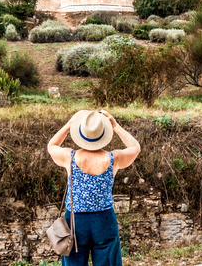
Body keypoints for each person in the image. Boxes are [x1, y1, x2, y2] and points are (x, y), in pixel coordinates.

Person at [47, 109, 141, 265]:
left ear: (80, 132)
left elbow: (52, 145)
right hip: (104, 219)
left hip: (75, 220)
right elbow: (135, 147)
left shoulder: (69, 157)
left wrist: (70, 123)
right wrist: (115, 125)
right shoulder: (114, 158)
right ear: (104, 133)